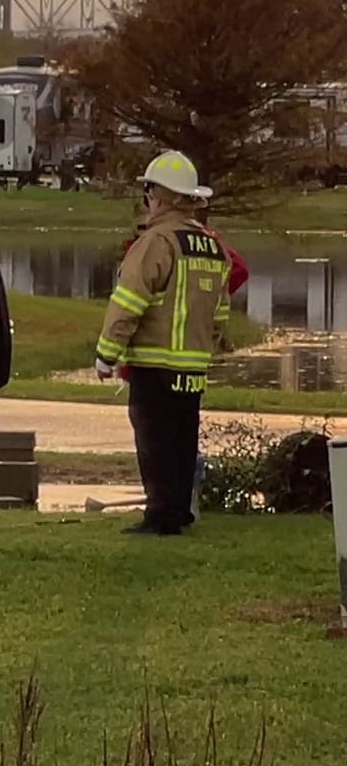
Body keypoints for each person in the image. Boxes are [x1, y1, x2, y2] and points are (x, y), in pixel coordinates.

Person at [94, 151, 232, 536]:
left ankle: (160, 517)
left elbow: (128, 302)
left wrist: (106, 354)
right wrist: (208, 346)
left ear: (162, 196)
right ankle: (179, 511)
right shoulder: (211, 245)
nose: (147, 199)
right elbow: (221, 310)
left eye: (150, 191)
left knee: (155, 441)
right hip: (192, 365)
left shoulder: (157, 242)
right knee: (183, 439)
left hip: (155, 363)